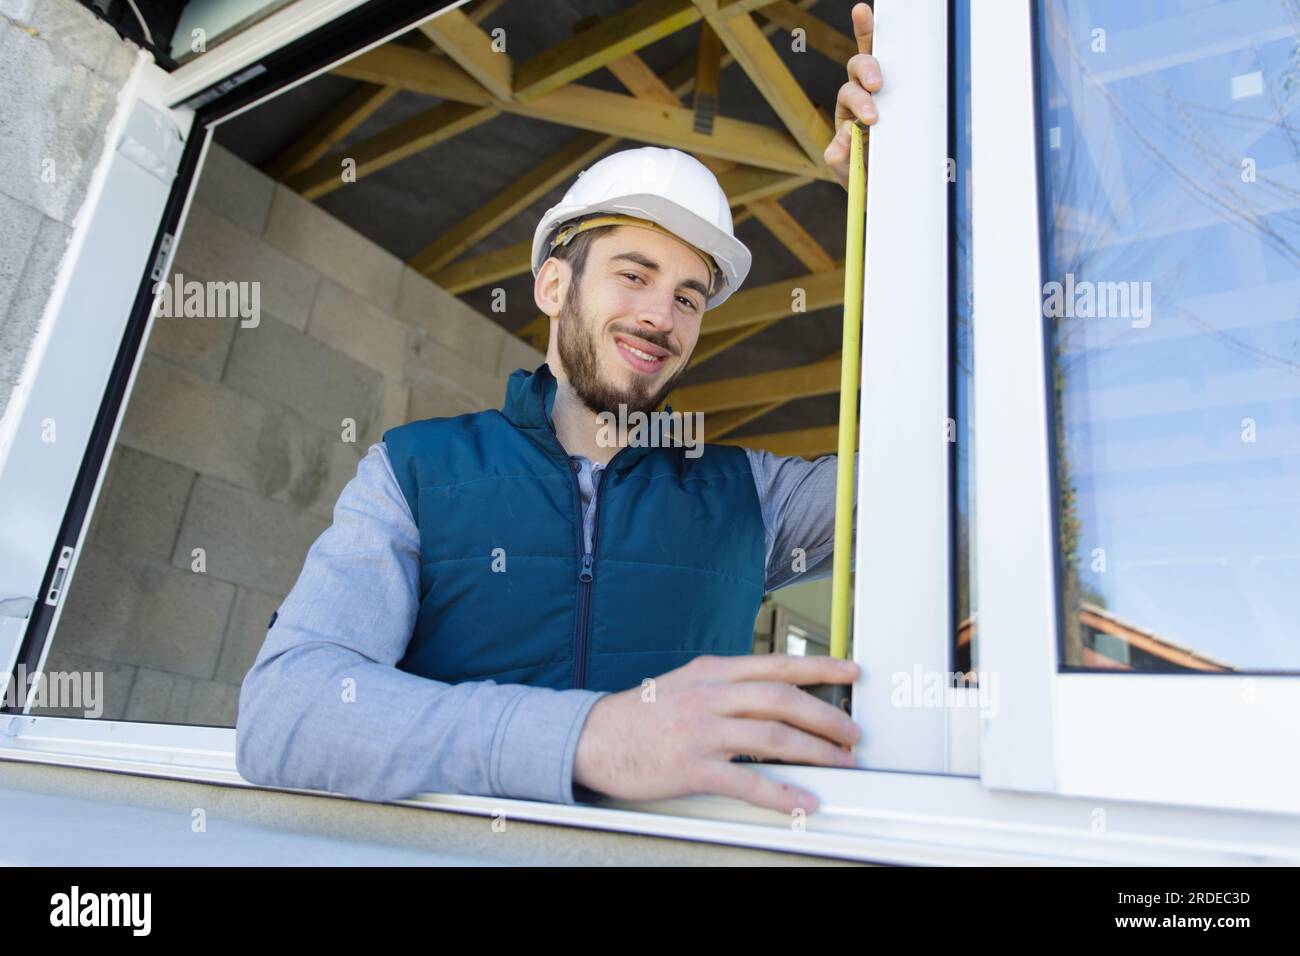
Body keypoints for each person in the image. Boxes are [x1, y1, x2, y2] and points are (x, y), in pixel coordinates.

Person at [236, 3, 883, 815]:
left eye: (689, 297)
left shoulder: (756, 500)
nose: (662, 316)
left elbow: (952, 482)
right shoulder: (415, 472)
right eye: (634, 274)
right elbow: (284, 712)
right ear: (552, 285)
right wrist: (585, 738)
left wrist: (898, 215)